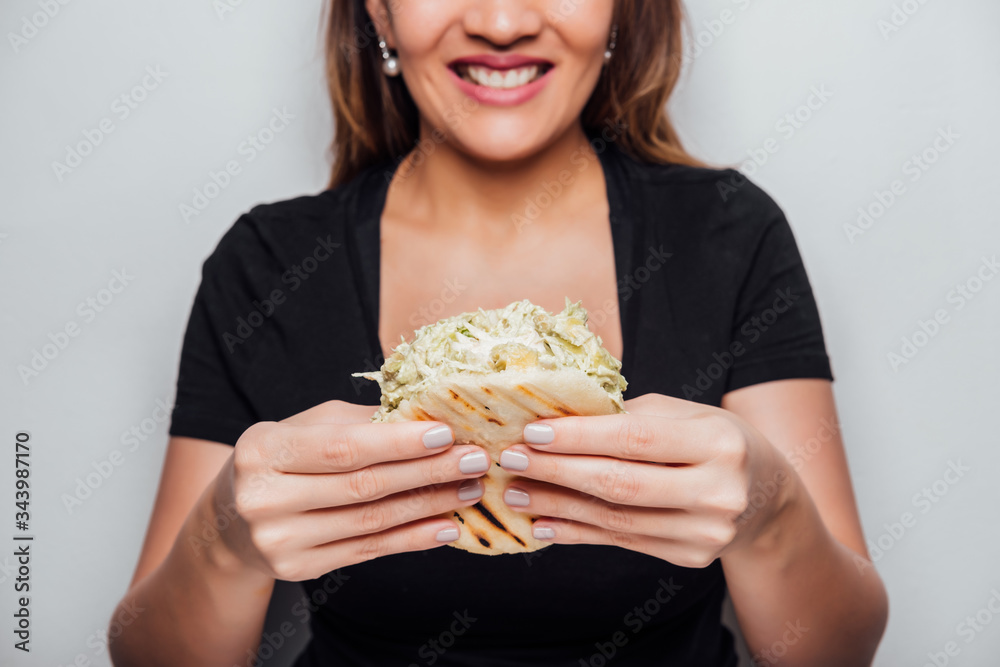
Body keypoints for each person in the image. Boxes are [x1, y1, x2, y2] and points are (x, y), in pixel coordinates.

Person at [109, 1, 889, 665]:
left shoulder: (728, 233)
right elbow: (150, 652)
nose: (503, 22)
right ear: (378, 11)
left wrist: (771, 510)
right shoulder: (267, 264)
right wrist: (224, 537)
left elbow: (834, 648)